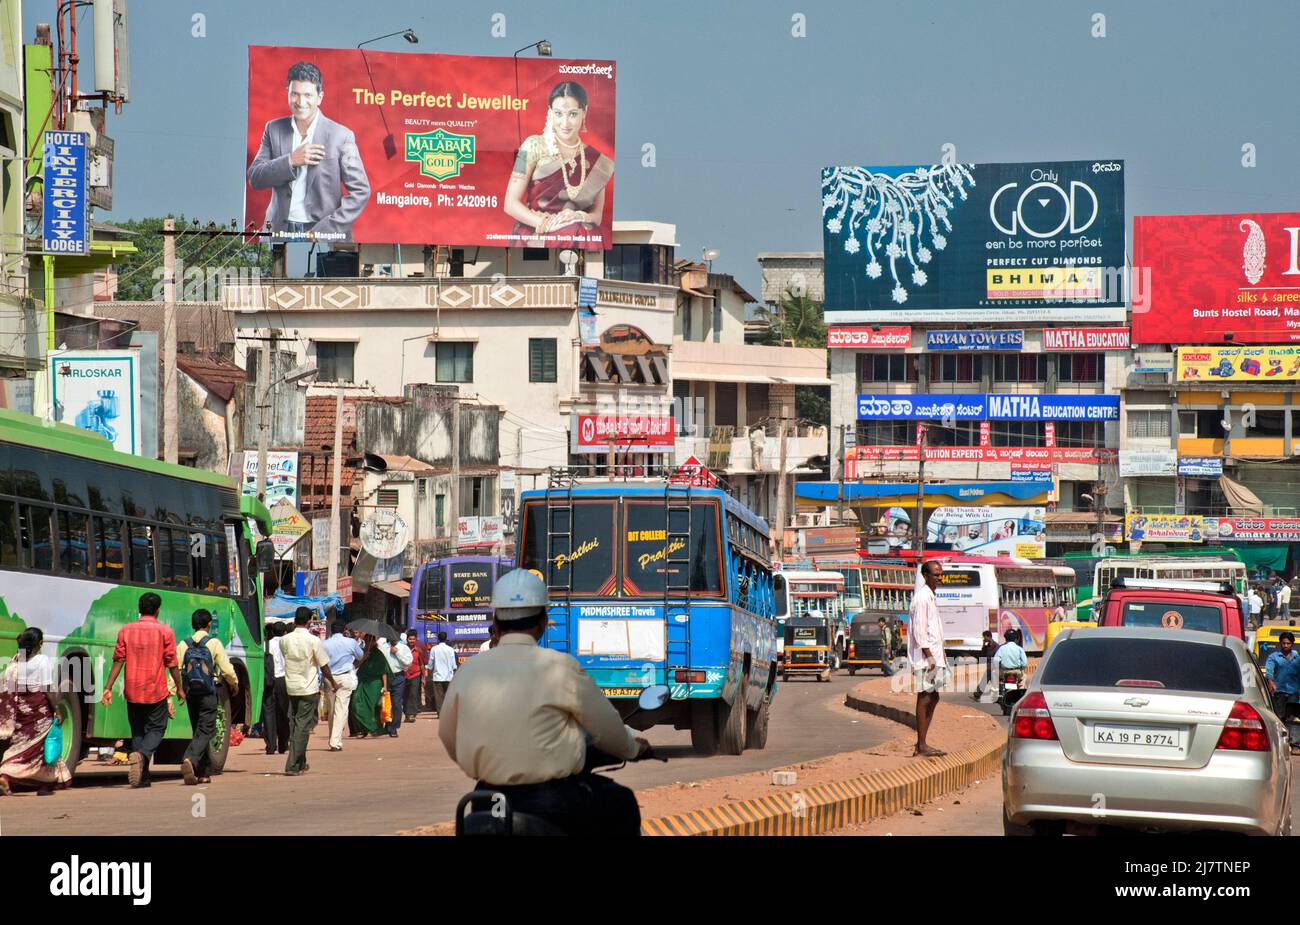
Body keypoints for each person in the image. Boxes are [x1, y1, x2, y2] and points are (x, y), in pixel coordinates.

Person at [439, 569, 648, 835]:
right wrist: (633, 749)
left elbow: (447, 734)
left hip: (486, 798)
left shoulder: (468, 671)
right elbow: (608, 728)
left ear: (496, 621)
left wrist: (486, 763)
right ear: (543, 621)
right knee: (622, 802)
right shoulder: (561, 668)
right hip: (550, 800)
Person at [247, 61, 370, 242]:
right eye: (294, 94)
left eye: (307, 95)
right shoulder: (273, 129)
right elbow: (255, 178)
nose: (300, 102)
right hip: (279, 232)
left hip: (323, 235)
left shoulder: (341, 136)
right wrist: (290, 161)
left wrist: (324, 230)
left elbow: (361, 191)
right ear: (287, 93)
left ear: (319, 97)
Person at [502, 81, 613, 248]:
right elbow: (510, 203)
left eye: (573, 114)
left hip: (578, 235)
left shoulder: (598, 161)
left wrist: (578, 217)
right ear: (550, 113)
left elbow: (596, 216)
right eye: (559, 113)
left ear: (585, 112)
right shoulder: (530, 146)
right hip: (535, 234)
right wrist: (547, 223)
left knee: (584, 235)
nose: (565, 123)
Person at [101, 593, 184, 788]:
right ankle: (143, 755)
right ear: (157, 610)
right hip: (156, 690)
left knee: (138, 731)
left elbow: (118, 660)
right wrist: (180, 687)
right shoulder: (165, 631)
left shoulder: (126, 630)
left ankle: (142, 776)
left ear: (140, 608)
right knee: (156, 728)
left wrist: (108, 687)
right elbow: (172, 663)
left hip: (132, 690)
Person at [0, 628, 72, 795]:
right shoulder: (41, 660)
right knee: (40, 746)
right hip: (38, 709)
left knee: (20, 743)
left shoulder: (16, 660)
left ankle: (5, 776)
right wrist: (57, 710)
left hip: (20, 709)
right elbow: (46, 688)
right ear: (39, 643)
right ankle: (42, 782)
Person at [176, 609, 239, 786]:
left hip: (190, 694)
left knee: (198, 729)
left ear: (192, 624)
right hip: (208, 693)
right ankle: (190, 758)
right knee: (206, 730)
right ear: (209, 624)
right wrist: (234, 683)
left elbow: (175, 669)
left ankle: (202, 773)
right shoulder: (214, 643)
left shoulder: (183, 644)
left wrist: (173, 691)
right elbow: (227, 670)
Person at [279, 607, 337, 776]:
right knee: (302, 727)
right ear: (309, 622)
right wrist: (332, 682)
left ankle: (301, 762)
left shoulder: (285, 640)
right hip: (308, 687)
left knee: (297, 724)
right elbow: (324, 665)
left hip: (291, 686)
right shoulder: (313, 641)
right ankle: (292, 765)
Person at [907, 560, 948, 758]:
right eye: (935, 574)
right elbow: (919, 631)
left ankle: (922, 743)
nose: (939, 578)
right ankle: (921, 744)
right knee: (925, 697)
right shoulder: (922, 597)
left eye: (941, 574)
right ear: (925, 575)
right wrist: (930, 657)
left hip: (935, 657)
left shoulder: (930, 596)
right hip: (926, 658)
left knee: (934, 696)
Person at [321, 622, 363, 752]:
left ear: (331, 631)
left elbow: (321, 663)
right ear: (344, 630)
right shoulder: (351, 642)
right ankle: (335, 741)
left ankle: (333, 738)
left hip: (329, 678)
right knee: (341, 710)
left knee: (332, 710)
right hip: (345, 677)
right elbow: (360, 656)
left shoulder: (324, 644)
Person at [350, 634, 391, 738]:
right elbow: (354, 665)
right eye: (366, 640)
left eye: (370, 640)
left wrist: (385, 686)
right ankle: (363, 728)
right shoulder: (361, 652)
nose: (368, 642)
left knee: (372, 706)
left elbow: (384, 671)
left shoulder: (379, 654)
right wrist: (363, 658)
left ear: (374, 641)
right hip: (362, 682)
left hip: (375, 684)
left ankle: (374, 729)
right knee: (356, 704)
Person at [1265, 631, 1300, 751]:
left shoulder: (1297, 658)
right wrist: (1271, 682)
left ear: (1292, 644)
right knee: (1279, 718)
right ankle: (1279, 743)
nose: (1285, 646)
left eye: (1288, 643)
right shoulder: (1274, 657)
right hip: (1279, 692)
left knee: (1293, 719)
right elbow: (1269, 671)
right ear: (1280, 643)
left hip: (1293, 693)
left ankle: (1294, 744)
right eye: (1283, 643)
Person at [378, 630, 413, 737]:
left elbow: (408, 663)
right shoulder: (383, 648)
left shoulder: (404, 648)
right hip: (385, 677)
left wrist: (397, 653)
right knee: (384, 703)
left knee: (397, 704)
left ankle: (394, 727)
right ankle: (386, 725)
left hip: (399, 677)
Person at [265, 621, 291, 754]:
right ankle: (283, 744)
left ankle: (270, 746)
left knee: (269, 712)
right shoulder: (287, 643)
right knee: (283, 712)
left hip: (269, 679)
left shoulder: (267, 644)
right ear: (284, 632)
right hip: (283, 679)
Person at [426, 631, 458, 717]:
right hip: (449, 676)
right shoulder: (451, 649)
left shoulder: (434, 649)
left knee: (439, 696)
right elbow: (454, 665)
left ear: (438, 639)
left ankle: (440, 713)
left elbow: (430, 664)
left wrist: (429, 674)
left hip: (437, 676)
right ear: (446, 638)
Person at [402, 629, 424, 722]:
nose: (412, 641)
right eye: (410, 639)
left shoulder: (418, 650)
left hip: (416, 674)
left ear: (416, 640)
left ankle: (412, 714)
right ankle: (407, 714)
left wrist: (423, 677)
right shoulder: (403, 649)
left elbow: (422, 664)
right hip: (405, 675)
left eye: (413, 639)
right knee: (406, 695)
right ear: (407, 639)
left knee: (413, 694)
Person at [972, 630, 999, 702]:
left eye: (984, 637)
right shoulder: (987, 646)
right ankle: (978, 694)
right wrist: (983, 644)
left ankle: (977, 694)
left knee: (986, 680)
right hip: (990, 666)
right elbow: (982, 654)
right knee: (991, 681)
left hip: (994, 666)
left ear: (988, 637)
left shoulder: (996, 646)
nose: (983, 639)